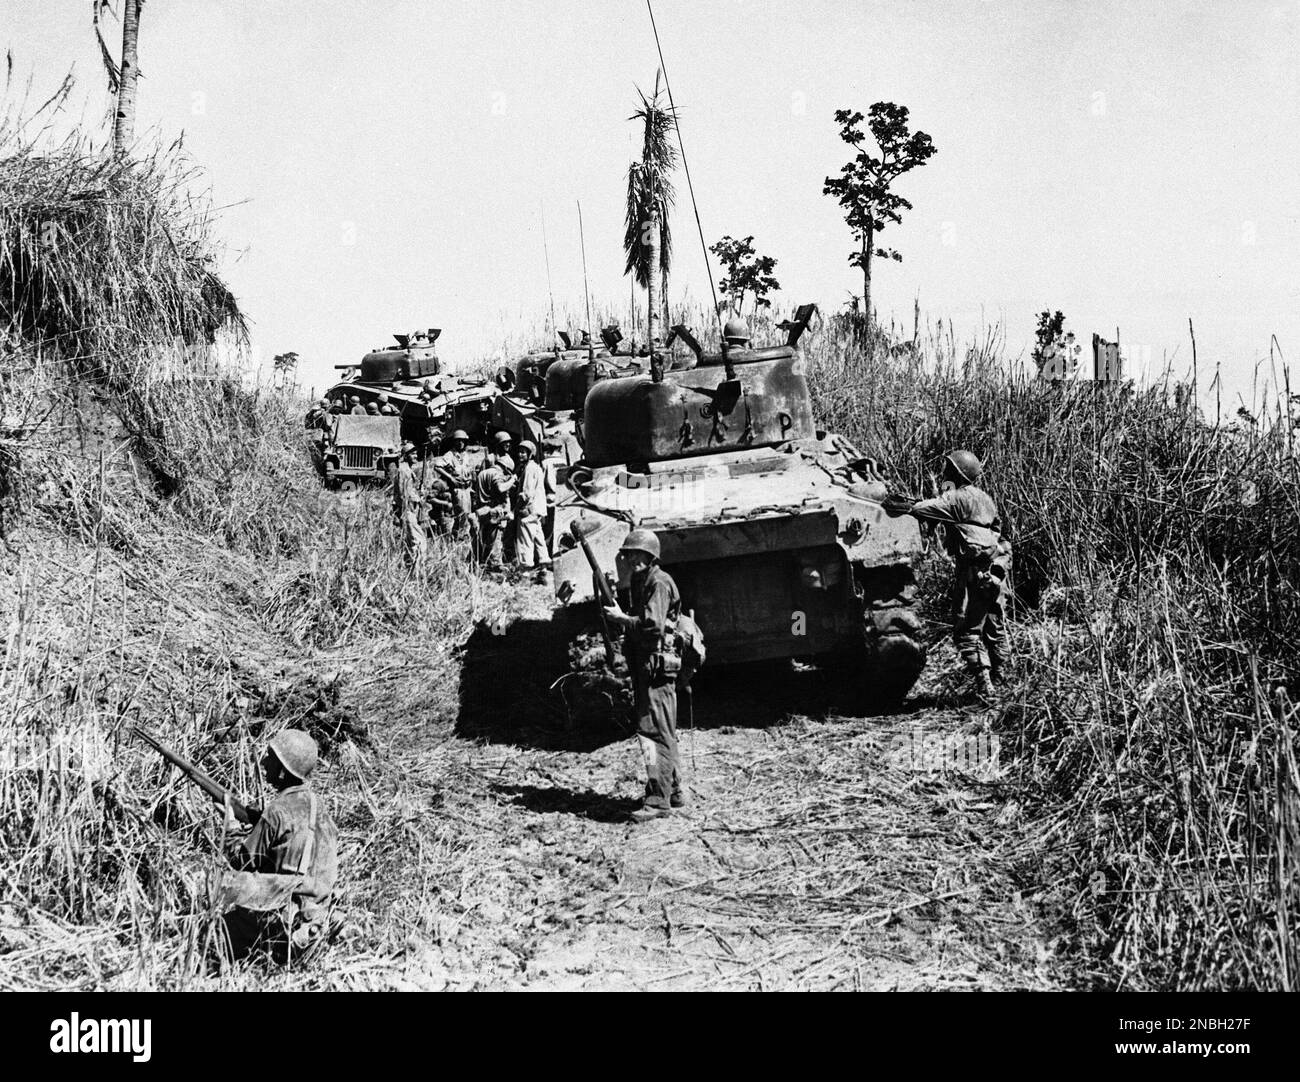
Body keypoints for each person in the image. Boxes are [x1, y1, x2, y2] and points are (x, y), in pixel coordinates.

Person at [893, 450, 1012, 701]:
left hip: (973, 573)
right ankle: (1003, 682)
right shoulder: (985, 498)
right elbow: (999, 530)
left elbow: (927, 508)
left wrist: (905, 506)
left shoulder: (956, 498)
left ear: (957, 474)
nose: (945, 474)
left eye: (949, 470)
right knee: (995, 628)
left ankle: (985, 688)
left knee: (967, 631)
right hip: (997, 570)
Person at [219, 729, 339, 964]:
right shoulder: (319, 807)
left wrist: (230, 827)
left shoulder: (278, 811)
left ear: (283, 772)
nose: (264, 762)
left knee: (213, 932)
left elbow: (241, 861)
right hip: (314, 917)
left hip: (280, 921)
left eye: (271, 758)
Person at [601, 529, 685, 822]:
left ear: (651, 556)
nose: (632, 560)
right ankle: (671, 791)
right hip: (647, 664)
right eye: (628, 555)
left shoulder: (659, 583)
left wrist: (623, 619)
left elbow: (652, 626)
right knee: (661, 730)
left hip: (656, 666)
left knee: (652, 733)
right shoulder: (643, 580)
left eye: (639, 555)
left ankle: (657, 800)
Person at [513, 439, 550, 578]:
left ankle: (526, 569)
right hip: (538, 508)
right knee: (538, 536)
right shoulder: (536, 467)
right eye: (519, 452)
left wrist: (515, 510)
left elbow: (526, 494)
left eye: (523, 452)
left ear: (530, 454)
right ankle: (544, 565)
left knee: (525, 538)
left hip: (529, 509)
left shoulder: (529, 469)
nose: (520, 455)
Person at [472, 456, 515, 571]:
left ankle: (483, 562)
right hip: (493, 510)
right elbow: (500, 488)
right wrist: (512, 480)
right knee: (495, 537)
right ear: (506, 468)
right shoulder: (497, 474)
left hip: (482, 510)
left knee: (484, 537)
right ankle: (496, 563)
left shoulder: (482, 473)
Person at [434, 429, 479, 534]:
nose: (460, 443)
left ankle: (460, 534)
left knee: (467, 513)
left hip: (467, 488)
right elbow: (437, 466)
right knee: (460, 513)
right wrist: (450, 477)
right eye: (458, 440)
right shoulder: (450, 455)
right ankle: (457, 534)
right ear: (454, 442)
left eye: (463, 441)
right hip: (458, 489)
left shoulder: (466, 455)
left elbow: (471, 470)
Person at [393, 440, 428, 562]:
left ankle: (409, 565)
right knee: (418, 540)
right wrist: (406, 512)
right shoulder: (403, 470)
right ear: (406, 456)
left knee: (410, 541)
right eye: (412, 454)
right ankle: (418, 567)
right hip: (407, 510)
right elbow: (403, 495)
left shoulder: (408, 469)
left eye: (416, 454)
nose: (416, 456)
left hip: (411, 509)